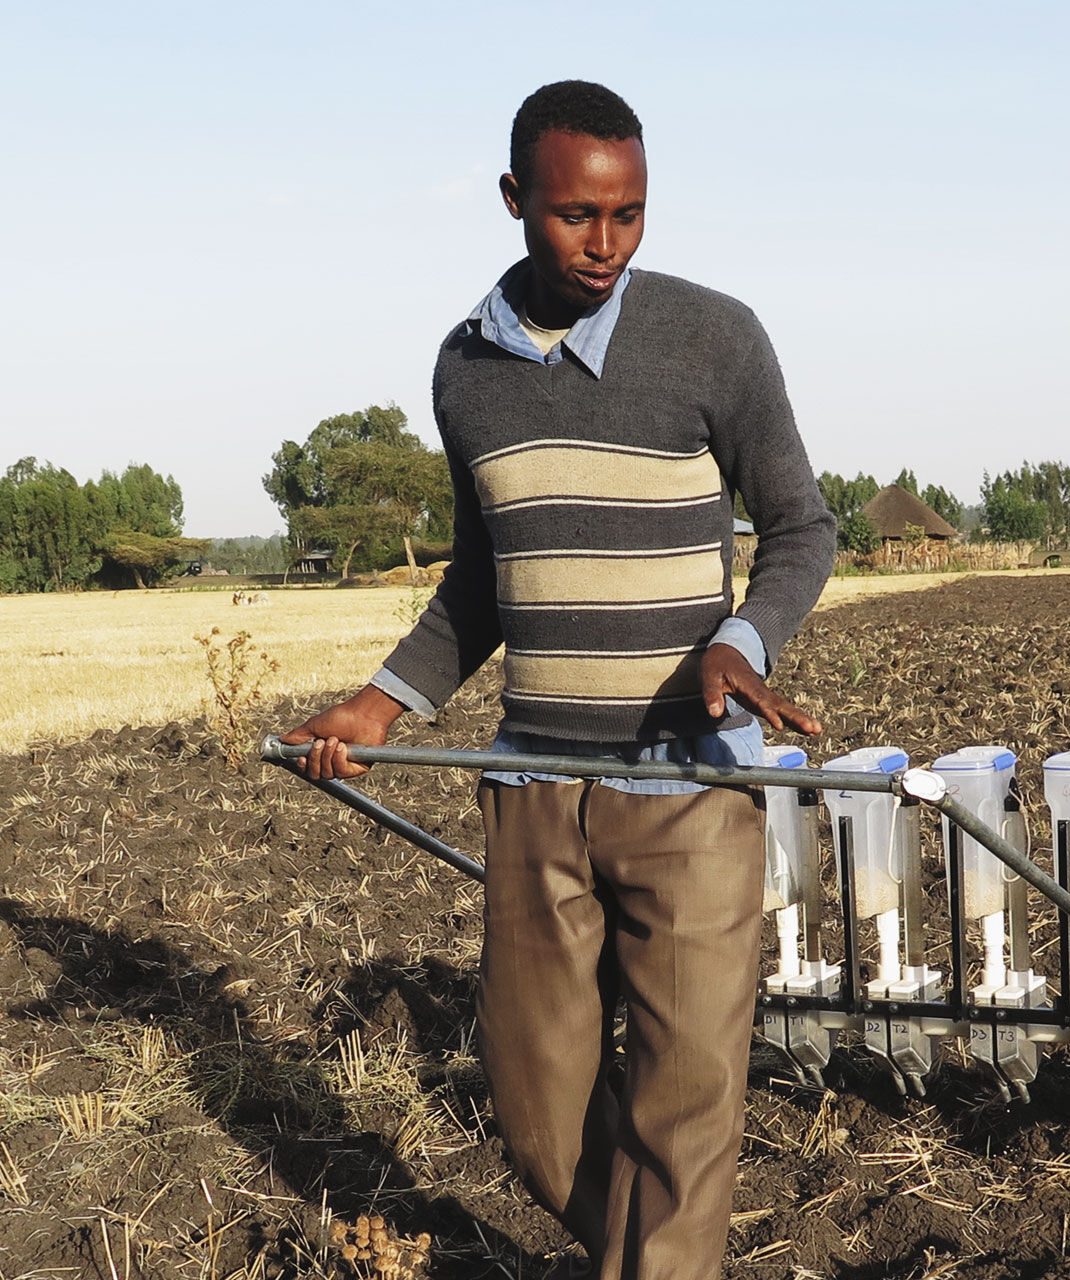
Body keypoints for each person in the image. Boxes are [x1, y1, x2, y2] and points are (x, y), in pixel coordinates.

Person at [283, 80, 835, 1280]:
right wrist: (382, 700)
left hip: (689, 788)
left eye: (630, 214)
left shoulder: (712, 337)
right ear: (513, 200)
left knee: (682, 1116)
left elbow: (801, 530)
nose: (607, 245)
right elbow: (482, 580)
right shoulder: (464, 370)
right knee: (536, 1115)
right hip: (534, 785)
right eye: (578, 216)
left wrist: (737, 646)